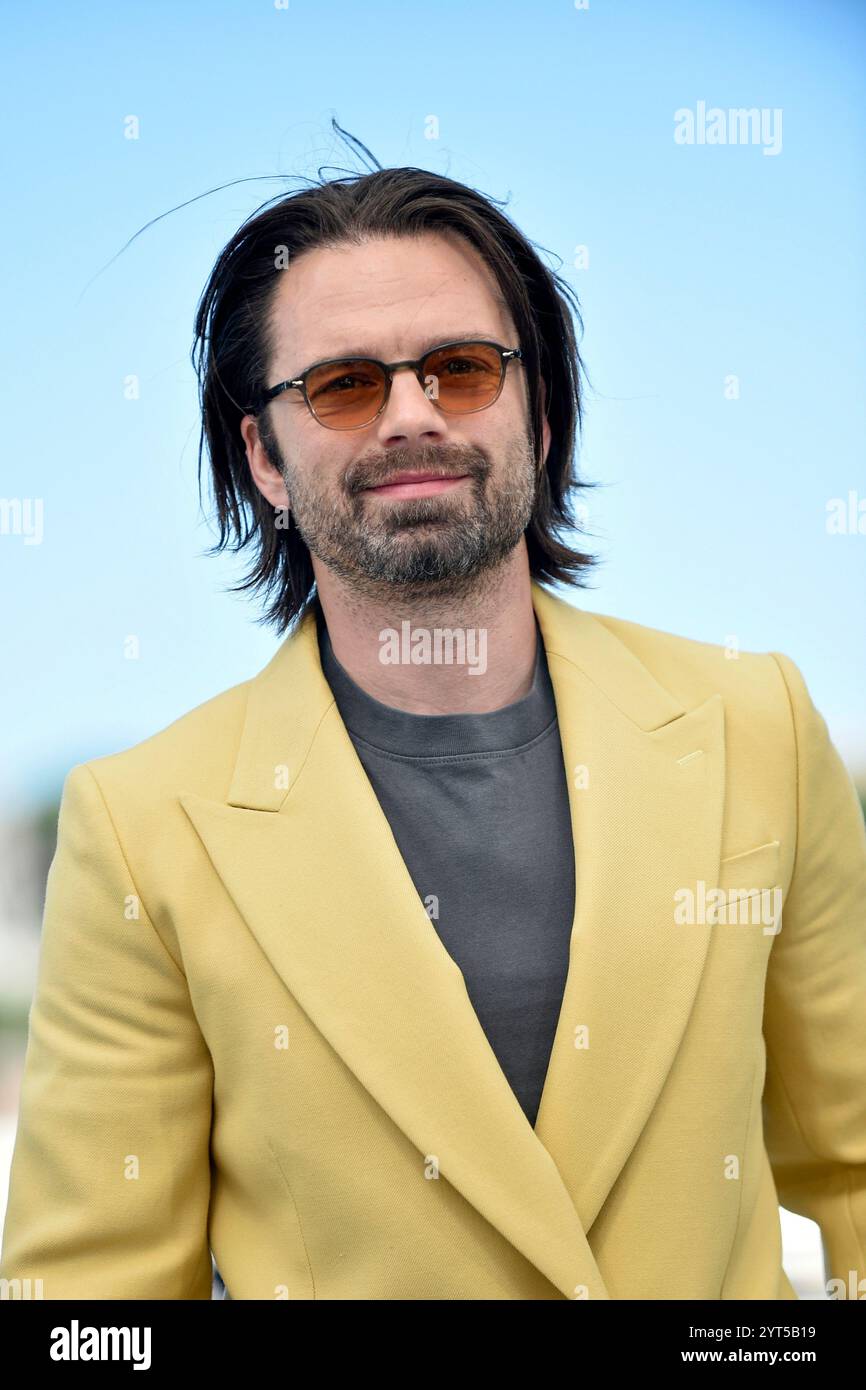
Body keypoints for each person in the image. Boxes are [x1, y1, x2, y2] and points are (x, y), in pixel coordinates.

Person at [2, 165, 864, 1301]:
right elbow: (86, 1305)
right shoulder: (143, 826)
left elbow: (850, 1170)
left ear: (539, 414)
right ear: (262, 456)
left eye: (459, 368)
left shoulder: (757, 728)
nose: (412, 412)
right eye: (345, 385)